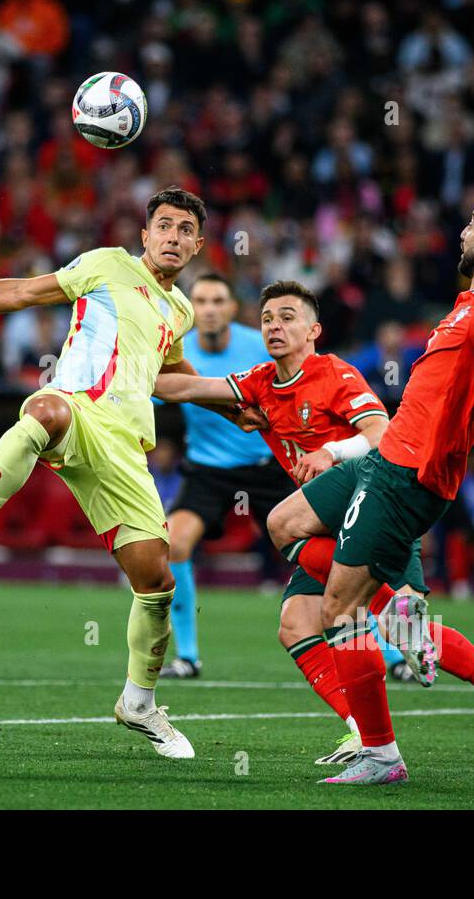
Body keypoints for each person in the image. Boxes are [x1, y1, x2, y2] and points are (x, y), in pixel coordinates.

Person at [0, 187, 263, 759]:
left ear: (197, 245)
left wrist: (228, 405)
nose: (173, 236)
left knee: (157, 582)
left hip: (126, 447)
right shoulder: (103, 264)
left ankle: (139, 703)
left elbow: (170, 375)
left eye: (185, 229)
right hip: (77, 410)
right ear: (145, 236)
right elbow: (18, 292)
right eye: (163, 225)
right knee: (43, 410)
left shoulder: (181, 310)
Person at [158, 279, 474, 769]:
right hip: (325, 526)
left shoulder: (335, 374)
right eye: (268, 318)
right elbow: (186, 386)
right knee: (300, 622)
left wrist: (330, 451)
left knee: (369, 610)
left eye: (287, 317)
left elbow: (383, 435)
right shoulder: (259, 382)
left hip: (374, 506)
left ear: (314, 329)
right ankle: (369, 730)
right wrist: (122, 367)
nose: (275, 326)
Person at [263, 184, 474, 784]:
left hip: (407, 479)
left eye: (473, 222)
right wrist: (340, 449)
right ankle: (412, 622)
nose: (460, 232)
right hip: (384, 462)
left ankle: (380, 753)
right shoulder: (466, 304)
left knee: (337, 611)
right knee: (283, 522)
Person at [157, 272, 284, 680]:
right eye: (201, 302)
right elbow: (147, 390)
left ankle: (387, 654)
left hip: (266, 469)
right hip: (207, 470)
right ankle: (188, 657)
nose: (209, 309)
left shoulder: (260, 347)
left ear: (231, 308)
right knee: (173, 545)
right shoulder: (176, 351)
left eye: (218, 301)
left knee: (323, 555)